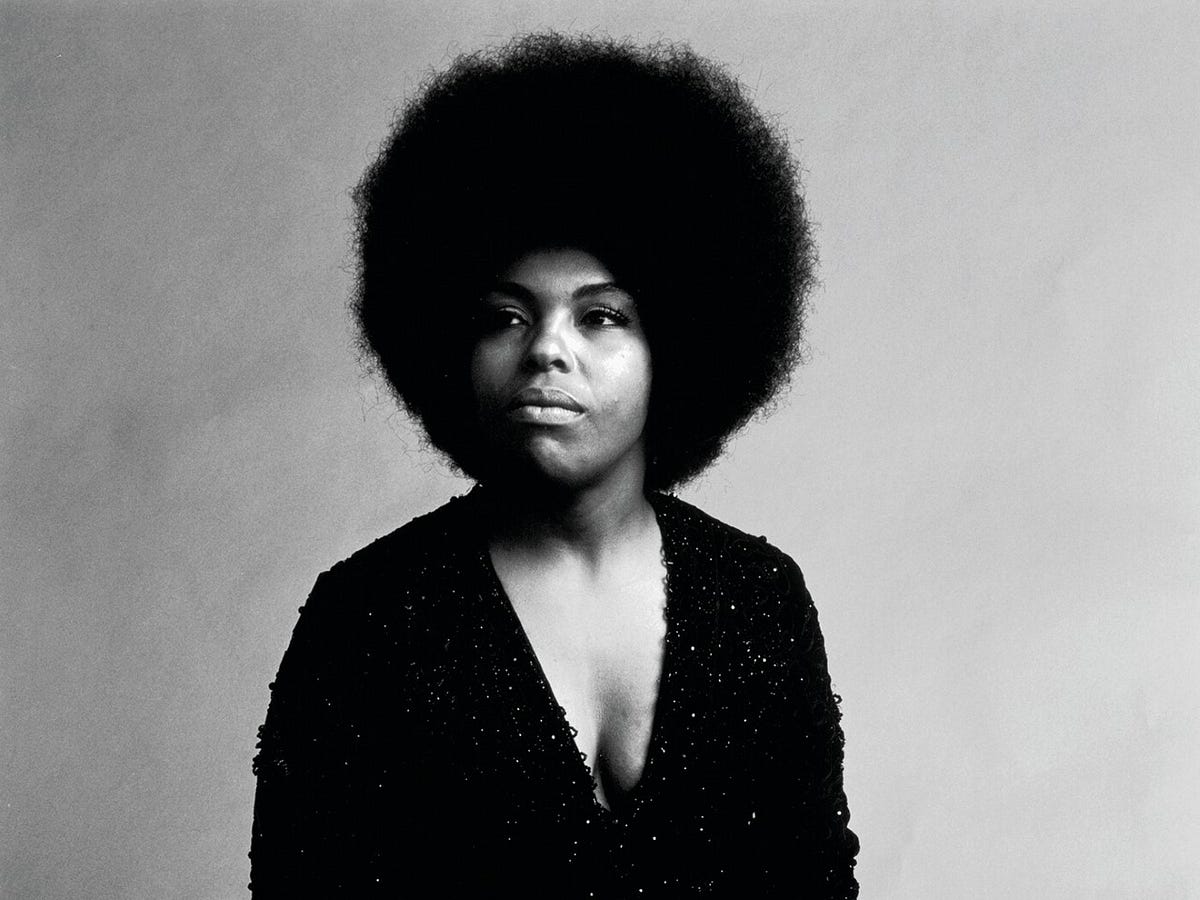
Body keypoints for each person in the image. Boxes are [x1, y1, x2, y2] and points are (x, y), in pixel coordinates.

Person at [249, 33, 858, 898]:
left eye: (601, 316)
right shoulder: (369, 620)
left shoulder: (759, 602)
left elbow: (816, 885)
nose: (546, 350)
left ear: (679, 346)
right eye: (506, 317)